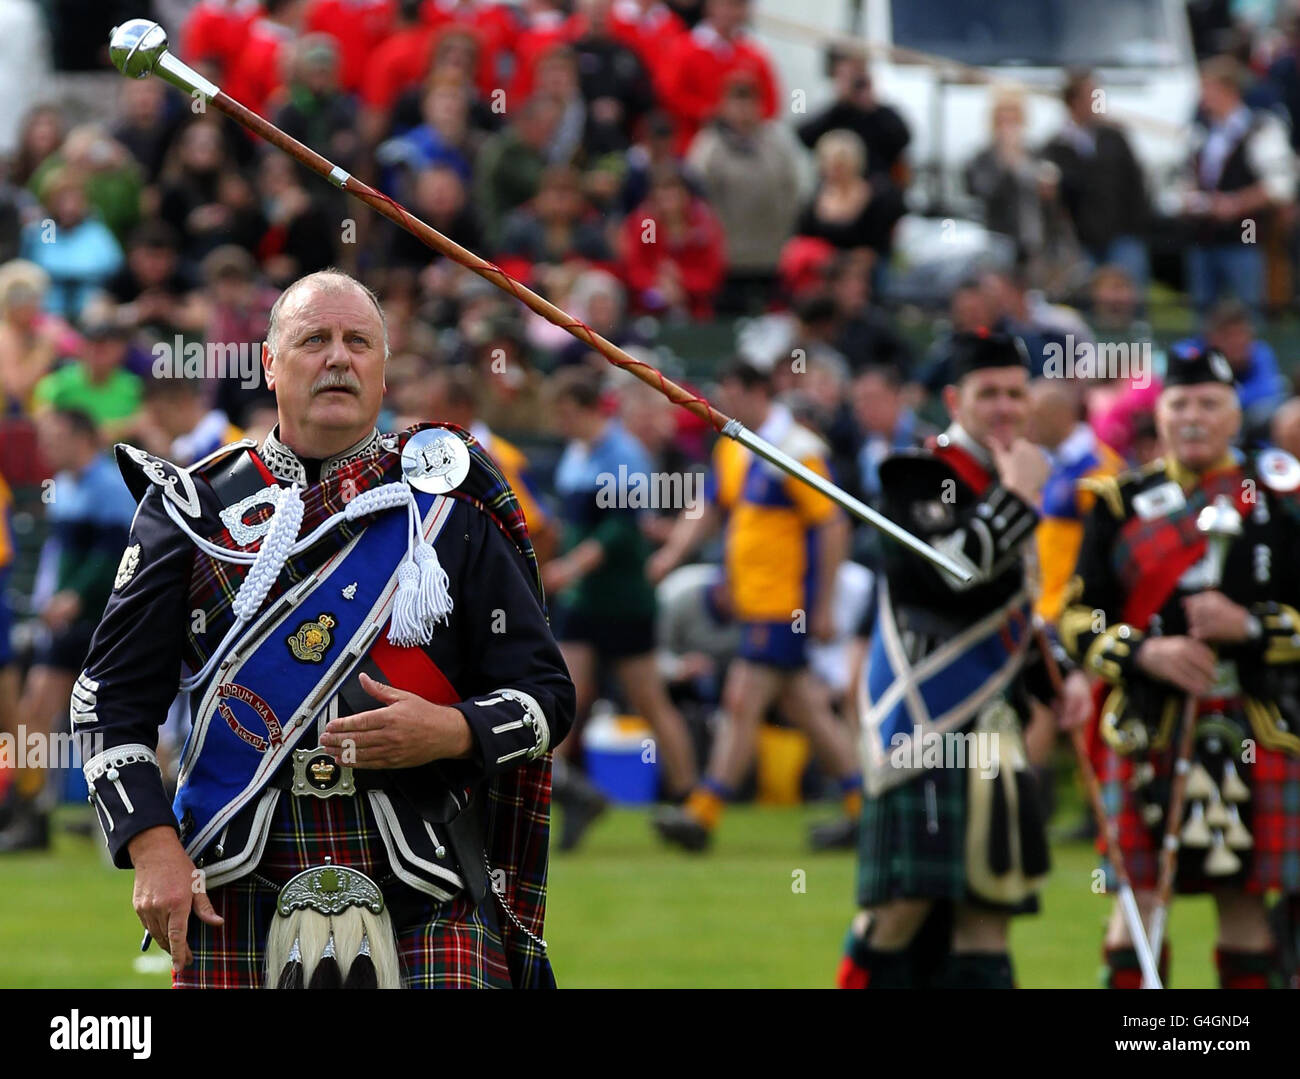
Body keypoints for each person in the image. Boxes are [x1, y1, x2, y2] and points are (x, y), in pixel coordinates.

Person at [72, 269, 575, 987]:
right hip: (235, 888)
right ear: (271, 364)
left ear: (382, 366)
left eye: (358, 342)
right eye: (314, 339)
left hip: (425, 883)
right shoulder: (192, 509)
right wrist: (152, 846)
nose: (338, 357)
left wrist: (452, 730)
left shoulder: (447, 504)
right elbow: (104, 702)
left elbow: (546, 698)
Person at [1059, 344, 1300, 989]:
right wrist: (1146, 652)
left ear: (1234, 415)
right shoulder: (1118, 503)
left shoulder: (1280, 498)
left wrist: (1249, 627)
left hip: (1259, 725)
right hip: (1147, 726)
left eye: (1209, 404)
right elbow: (1077, 619)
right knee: (1137, 906)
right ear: (1158, 414)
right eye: (1179, 403)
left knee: (1246, 902)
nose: (1192, 417)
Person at [838, 332, 1055, 989]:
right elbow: (952, 573)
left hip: (996, 722)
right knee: (899, 909)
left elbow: (1010, 608)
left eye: (1016, 393)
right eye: (988, 393)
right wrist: (1017, 502)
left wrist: (1056, 684)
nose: (1005, 407)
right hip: (924, 722)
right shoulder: (916, 475)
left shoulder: (1005, 476)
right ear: (956, 398)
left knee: (987, 907)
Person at [648, 361, 862, 852]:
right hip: (756, 603)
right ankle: (865, 808)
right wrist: (674, 553)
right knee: (804, 708)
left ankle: (702, 814)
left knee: (742, 700)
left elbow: (832, 526)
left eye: (730, 392)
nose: (723, 403)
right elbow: (712, 508)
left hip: (786, 605)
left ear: (756, 392)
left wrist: (822, 606)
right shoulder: (735, 447)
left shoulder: (799, 451)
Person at [544, 371, 698, 847]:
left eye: (567, 413)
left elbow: (617, 530)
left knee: (650, 700)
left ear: (587, 409)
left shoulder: (625, 454)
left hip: (623, 600)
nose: (561, 423)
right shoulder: (577, 455)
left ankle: (691, 799)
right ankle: (563, 792)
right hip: (584, 603)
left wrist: (570, 567)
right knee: (566, 696)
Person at [0, 408, 137, 852]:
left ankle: (95, 816)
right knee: (36, 714)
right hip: (67, 622)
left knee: (86, 717)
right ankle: (33, 811)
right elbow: (63, 555)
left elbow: (116, 555)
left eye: (54, 436)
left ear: (81, 438)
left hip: (100, 622)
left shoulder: (108, 485)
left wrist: (74, 597)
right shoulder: (64, 488)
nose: (46, 446)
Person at [1178, 55, 1296, 314]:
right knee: (1204, 315)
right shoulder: (1202, 132)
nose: (1203, 97)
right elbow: (1190, 176)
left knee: (1248, 311)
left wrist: (1236, 204)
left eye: (1207, 89)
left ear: (1227, 89)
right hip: (1204, 238)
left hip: (1245, 236)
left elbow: (1280, 186)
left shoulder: (1261, 128)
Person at [1041, 69, 1150, 292]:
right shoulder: (1055, 147)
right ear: (1073, 101)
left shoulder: (1114, 137)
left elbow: (1136, 183)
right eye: (1091, 96)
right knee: (1086, 300)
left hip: (1122, 235)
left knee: (1128, 296)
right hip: (1082, 242)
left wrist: (1139, 226)